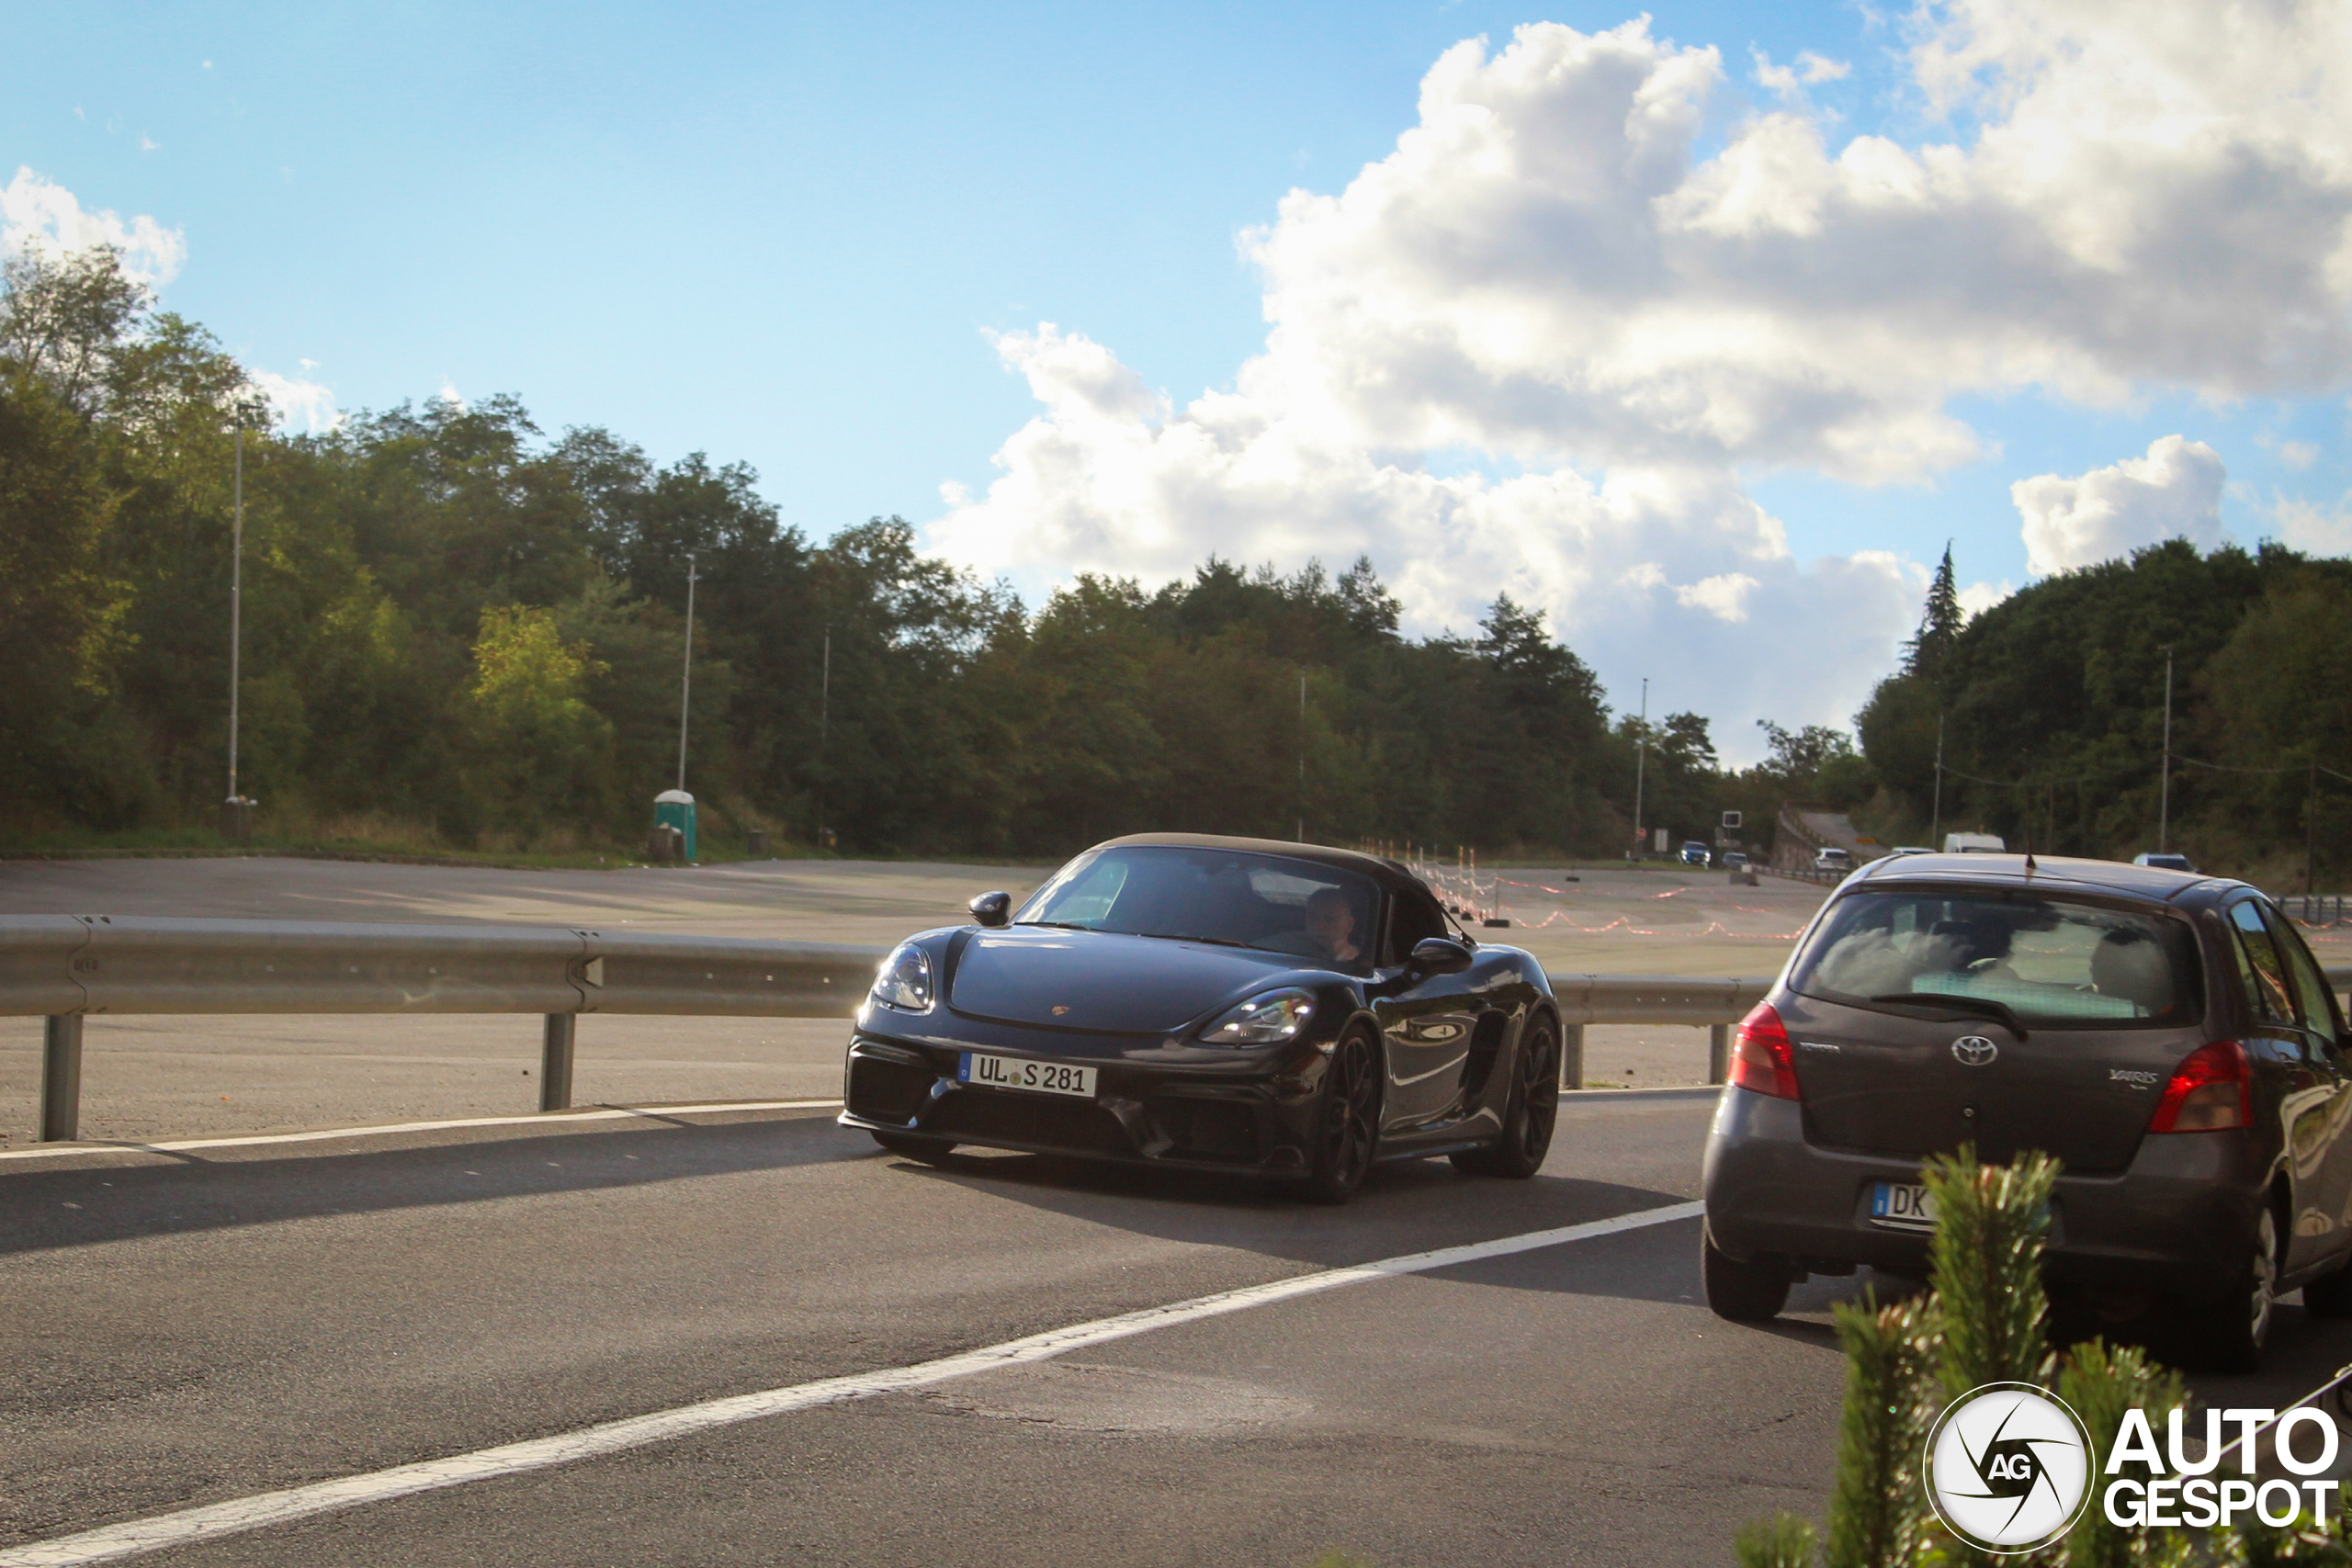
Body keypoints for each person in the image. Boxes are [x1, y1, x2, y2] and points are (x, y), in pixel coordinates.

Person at [1304, 886, 1363, 965]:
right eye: (1312, 917)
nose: (1319, 925)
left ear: (1349, 924)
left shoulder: (1361, 962)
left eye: (1330, 919)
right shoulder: (1289, 945)